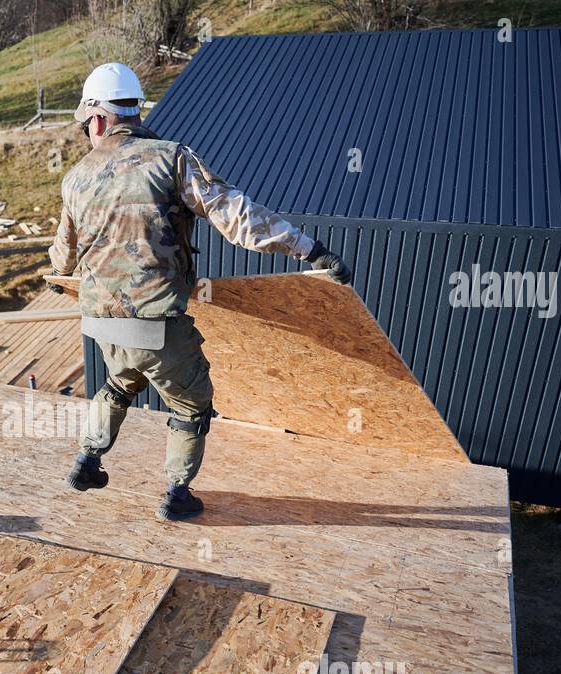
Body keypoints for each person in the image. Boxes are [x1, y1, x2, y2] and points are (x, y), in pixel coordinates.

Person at [51, 62, 352, 520]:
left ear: (97, 119)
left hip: (100, 323)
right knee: (192, 403)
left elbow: (63, 257)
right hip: (155, 322)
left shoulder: (75, 179)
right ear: (134, 111)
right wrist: (311, 250)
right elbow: (237, 217)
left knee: (122, 379)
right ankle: (177, 494)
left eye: (85, 125)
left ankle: (87, 460)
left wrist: (60, 279)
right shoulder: (170, 159)